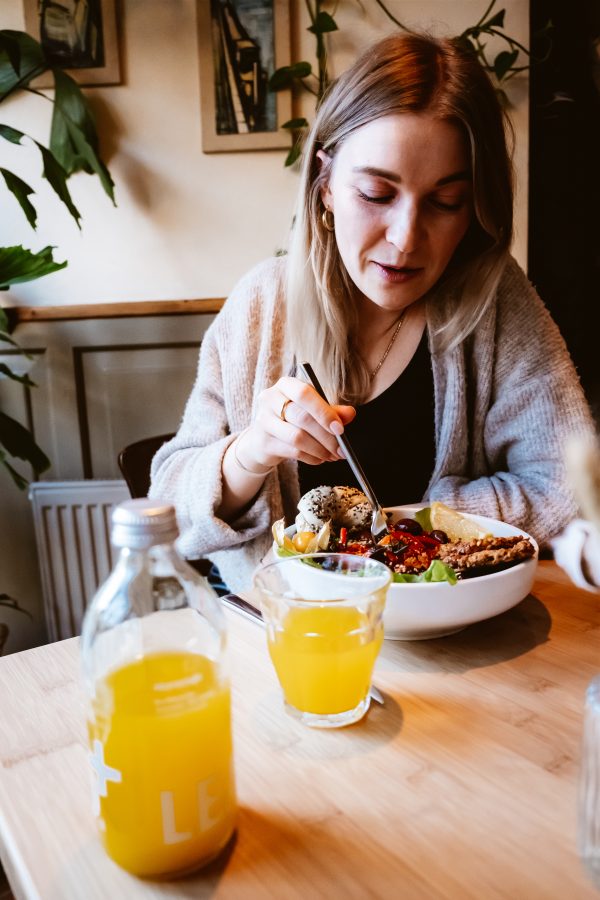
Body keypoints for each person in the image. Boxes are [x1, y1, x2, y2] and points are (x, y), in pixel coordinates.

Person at [150, 31, 594, 594]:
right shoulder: (262, 306)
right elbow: (167, 505)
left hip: (457, 647)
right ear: (326, 183)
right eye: (377, 194)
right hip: (283, 637)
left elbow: (570, 488)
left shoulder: (496, 301)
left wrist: (419, 526)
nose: (407, 239)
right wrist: (252, 452)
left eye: (445, 202)